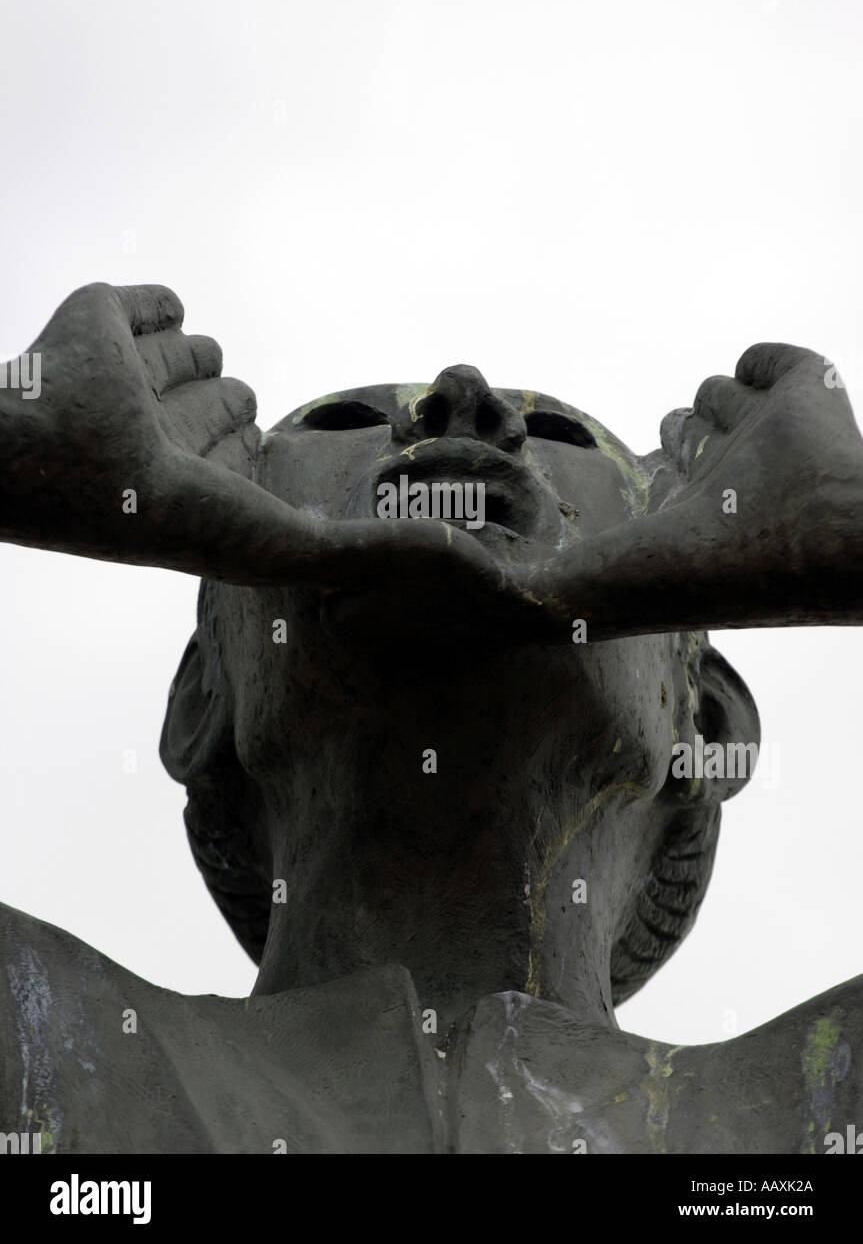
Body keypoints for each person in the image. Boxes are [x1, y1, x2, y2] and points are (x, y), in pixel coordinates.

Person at [1, 282, 861, 1154]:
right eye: (340, 423)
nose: (459, 398)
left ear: (706, 728)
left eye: (563, 436)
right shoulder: (33, 1035)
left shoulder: (816, 1113)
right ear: (200, 700)